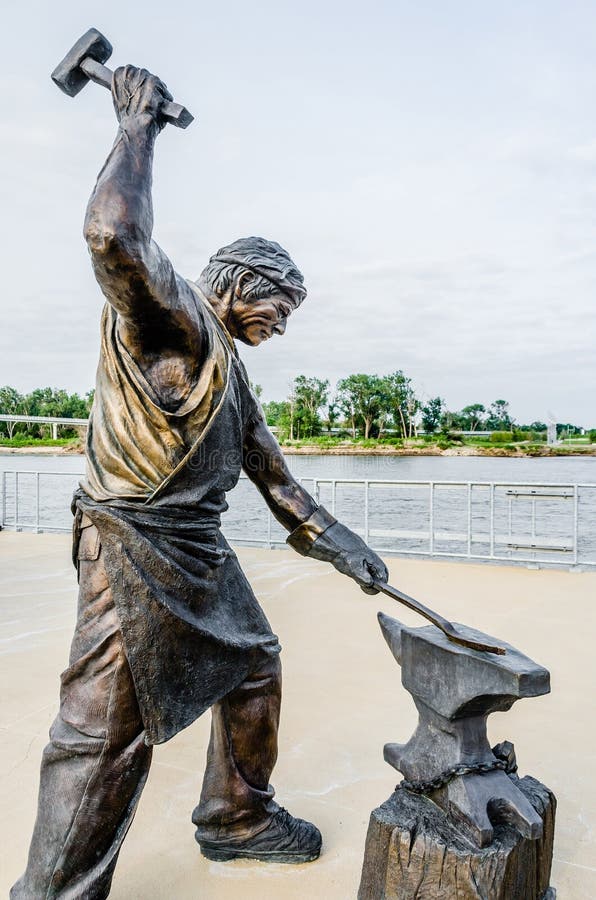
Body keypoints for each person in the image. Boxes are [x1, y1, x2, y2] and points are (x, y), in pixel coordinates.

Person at [11, 65, 388, 899]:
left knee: (252, 660)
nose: (278, 329)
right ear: (237, 282)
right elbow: (113, 237)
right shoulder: (174, 321)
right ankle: (51, 894)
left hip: (198, 552)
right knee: (101, 737)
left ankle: (236, 817)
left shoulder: (232, 378)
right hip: (133, 551)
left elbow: (280, 485)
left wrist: (350, 550)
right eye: (277, 309)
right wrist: (135, 126)